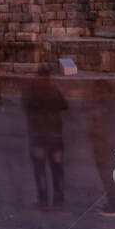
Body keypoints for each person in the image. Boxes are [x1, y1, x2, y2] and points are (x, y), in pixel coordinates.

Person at [23, 80, 68, 208]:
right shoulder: (54, 91)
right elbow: (65, 105)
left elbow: (27, 108)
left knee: (40, 170)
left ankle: (43, 200)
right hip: (55, 137)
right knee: (57, 170)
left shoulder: (33, 92)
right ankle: (58, 201)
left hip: (39, 138)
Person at [87, 89, 115, 217]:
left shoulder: (102, 112)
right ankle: (112, 204)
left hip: (104, 150)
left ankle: (113, 207)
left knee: (108, 177)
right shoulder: (110, 111)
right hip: (107, 149)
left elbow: (98, 131)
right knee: (110, 177)